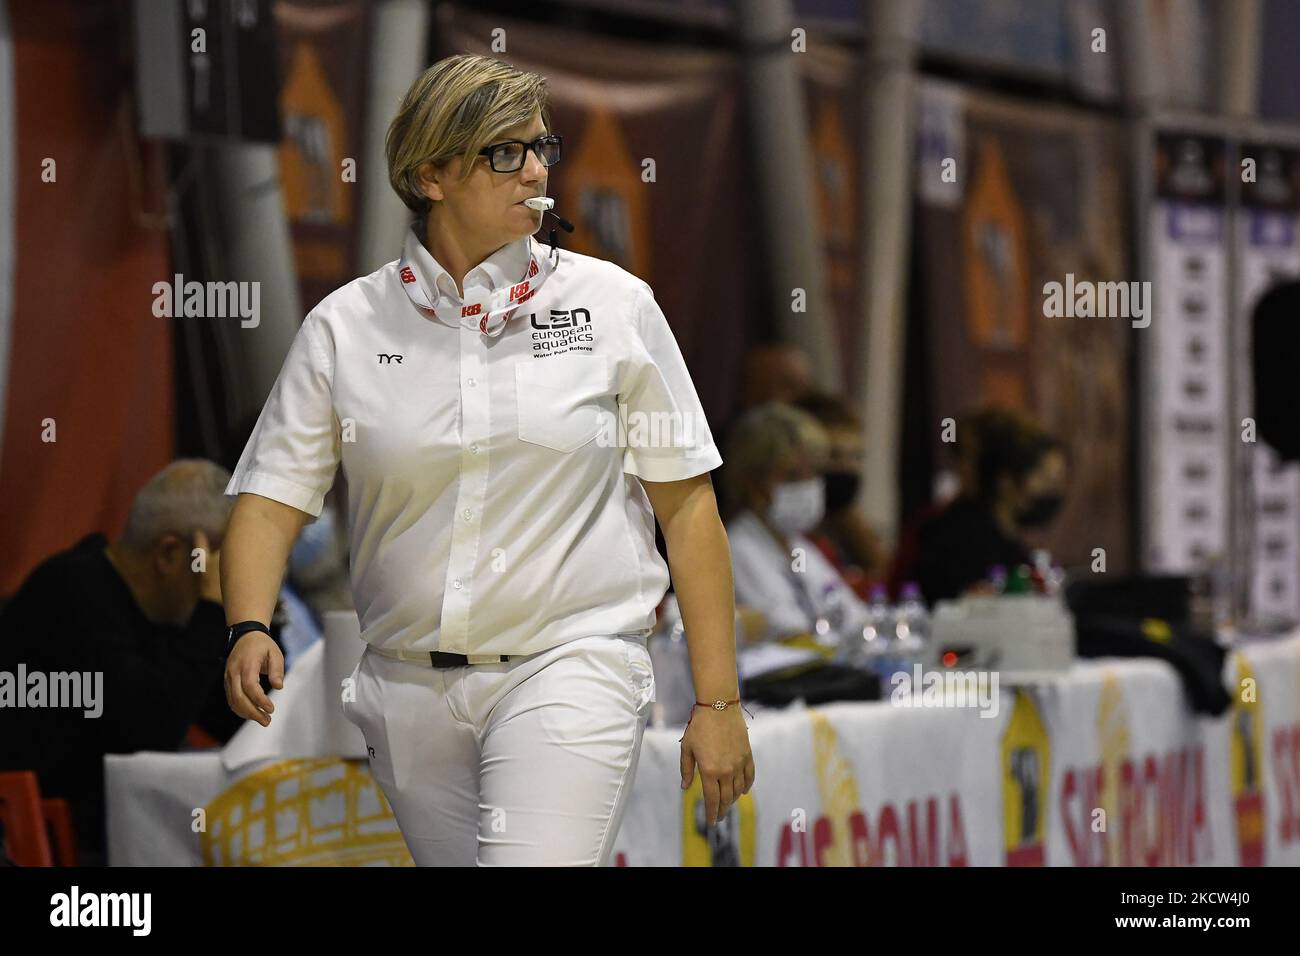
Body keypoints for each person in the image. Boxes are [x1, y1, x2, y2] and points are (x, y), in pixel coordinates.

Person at [221, 54, 752, 866]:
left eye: (542, 147)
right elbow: (269, 499)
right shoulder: (344, 326)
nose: (535, 169)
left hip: (570, 664)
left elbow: (688, 506)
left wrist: (718, 700)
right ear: (430, 175)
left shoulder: (615, 307)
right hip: (404, 686)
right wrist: (249, 625)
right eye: (505, 153)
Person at [0, 460, 231, 864]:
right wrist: (213, 610)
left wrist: (260, 615)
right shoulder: (71, 591)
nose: (232, 582)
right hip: (54, 847)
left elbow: (241, 719)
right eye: (223, 568)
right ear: (170, 554)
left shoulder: (165, 617)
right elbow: (149, 725)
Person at [723, 402, 870, 645]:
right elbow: (787, 630)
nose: (808, 484)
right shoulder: (737, 548)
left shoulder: (799, 546)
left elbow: (855, 618)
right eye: (792, 475)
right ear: (753, 483)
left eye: (813, 472)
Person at [901, 408, 1067, 605]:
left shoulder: (1011, 544)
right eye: (1043, 478)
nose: (1049, 490)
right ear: (1005, 478)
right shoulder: (951, 534)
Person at [794, 390, 885, 597]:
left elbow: (884, 582)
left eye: (856, 457)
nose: (847, 468)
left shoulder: (850, 525)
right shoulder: (795, 533)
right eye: (835, 456)